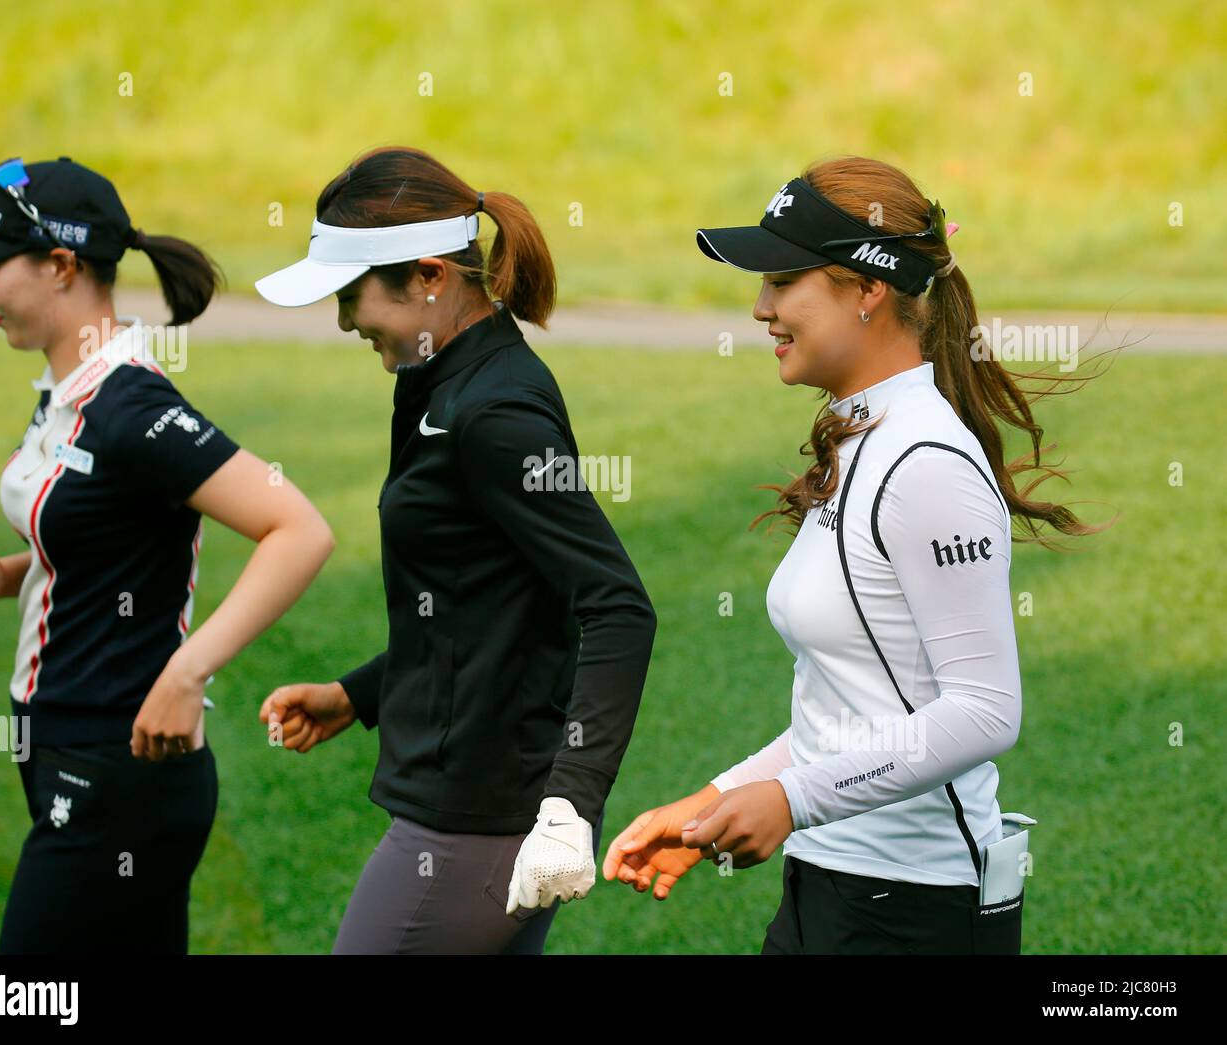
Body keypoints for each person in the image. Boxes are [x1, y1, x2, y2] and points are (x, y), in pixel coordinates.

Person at [603, 155, 1106, 954]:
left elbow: (984, 707)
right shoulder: (865, 438)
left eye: (783, 279)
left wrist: (793, 800)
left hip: (914, 913)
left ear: (870, 287)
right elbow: (852, 709)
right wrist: (715, 803)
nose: (761, 306)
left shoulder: (925, 463)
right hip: (829, 889)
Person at [254, 146, 657, 954]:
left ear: (431, 277)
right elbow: (484, 592)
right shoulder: (441, 381)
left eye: (349, 295)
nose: (343, 322)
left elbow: (616, 603)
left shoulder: (492, 411)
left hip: (478, 819)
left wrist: (569, 806)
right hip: (472, 804)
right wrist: (359, 693)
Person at [0, 156, 335, 954]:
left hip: (117, 768)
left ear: (61, 266)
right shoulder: (68, 390)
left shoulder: (128, 404)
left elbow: (299, 530)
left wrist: (187, 674)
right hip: (73, 754)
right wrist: (10, 573)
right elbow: (115, 532)